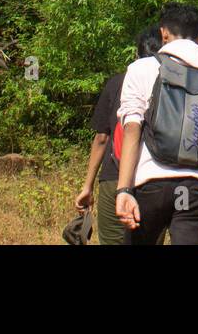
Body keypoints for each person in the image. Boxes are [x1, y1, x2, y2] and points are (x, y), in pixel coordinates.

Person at [114, 2, 198, 245]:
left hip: (151, 182)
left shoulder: (141, 69)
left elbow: (132, 129)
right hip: (197, 186)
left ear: (163, 34)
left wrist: (124, 190)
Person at [75, 24, 162, 245]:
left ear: (136, 53)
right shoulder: (173, 82)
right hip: (156, 180)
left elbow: (102, 138)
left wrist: (87, 186)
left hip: (114, 177)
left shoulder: (117, 82)